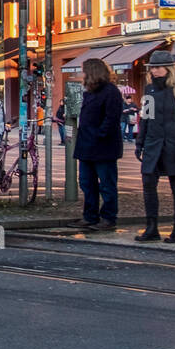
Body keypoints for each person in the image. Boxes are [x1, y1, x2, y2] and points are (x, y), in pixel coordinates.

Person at [135, 50, 175, 243]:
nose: (154, 71)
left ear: (168, 69)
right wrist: (140, 142)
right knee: (148, 184)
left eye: (157, 67)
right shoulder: (150, 89)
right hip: (153, 145)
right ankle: (151, 227)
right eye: (152, 67)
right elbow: (146, 117)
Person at [73, 58, 122, 231]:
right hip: (87, 146)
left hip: (103, 147)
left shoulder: (110, 92)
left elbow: (112, 118)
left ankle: (108, 218)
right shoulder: (90, 92)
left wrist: (99, 134)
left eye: (84, 71)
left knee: (107, 184)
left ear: (92, 72)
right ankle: (90, 215)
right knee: (87, 183)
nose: (82, 75)